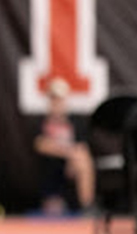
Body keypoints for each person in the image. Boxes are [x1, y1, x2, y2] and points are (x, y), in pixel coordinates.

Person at [34, 77, 95, 215]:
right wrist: (69, 153)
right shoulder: (41, 122)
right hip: (52, 179)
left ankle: (87, 205)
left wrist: (73, 159)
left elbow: (82, 149)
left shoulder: (75, 123)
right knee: (78, 156)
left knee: (82, 158)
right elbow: (41, 145)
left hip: (71, 177)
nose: (56, 104)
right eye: (53, 99)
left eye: (59, 99)